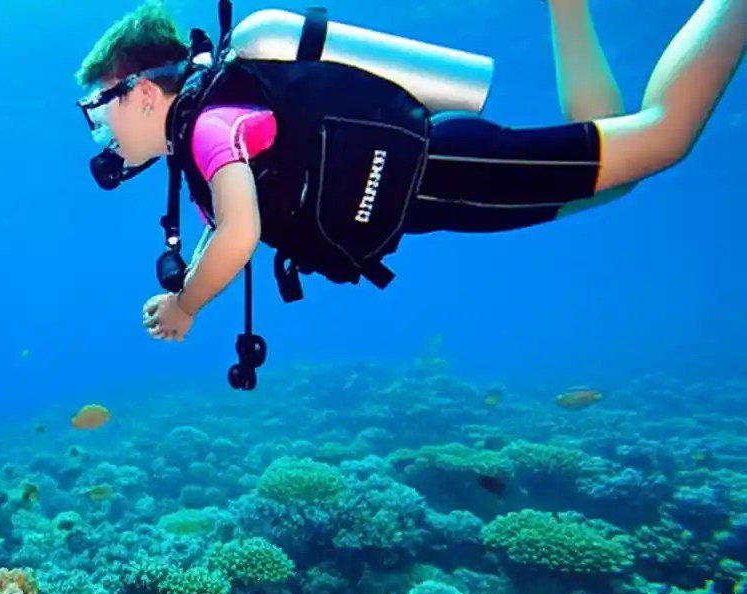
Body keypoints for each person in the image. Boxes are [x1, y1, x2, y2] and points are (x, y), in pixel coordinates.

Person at [73, 0, 745, 387]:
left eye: (97, 115)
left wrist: (188, 306)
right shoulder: (208, 128)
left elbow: (240, 233)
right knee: (607, 174)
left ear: (142, 93)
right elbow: (228, 223)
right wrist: (188, 280)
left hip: (448, 171)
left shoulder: (208, 130)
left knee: (663, 139)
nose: (101, 136)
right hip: (438, 176)